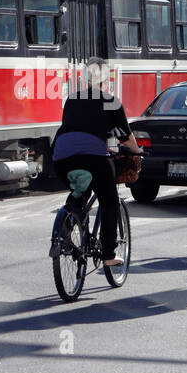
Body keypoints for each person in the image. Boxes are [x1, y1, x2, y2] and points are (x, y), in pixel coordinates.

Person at [52, 57, 143, 268]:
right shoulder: (112, 102)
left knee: (81, 187)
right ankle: (109, 254)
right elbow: (125, 137)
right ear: (106, 79)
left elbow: (73, 129)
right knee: (109, 201)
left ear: (84, 78)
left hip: (61, 157)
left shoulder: (72, 100)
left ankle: (66, 225)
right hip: (94, 158)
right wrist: (137, 151)